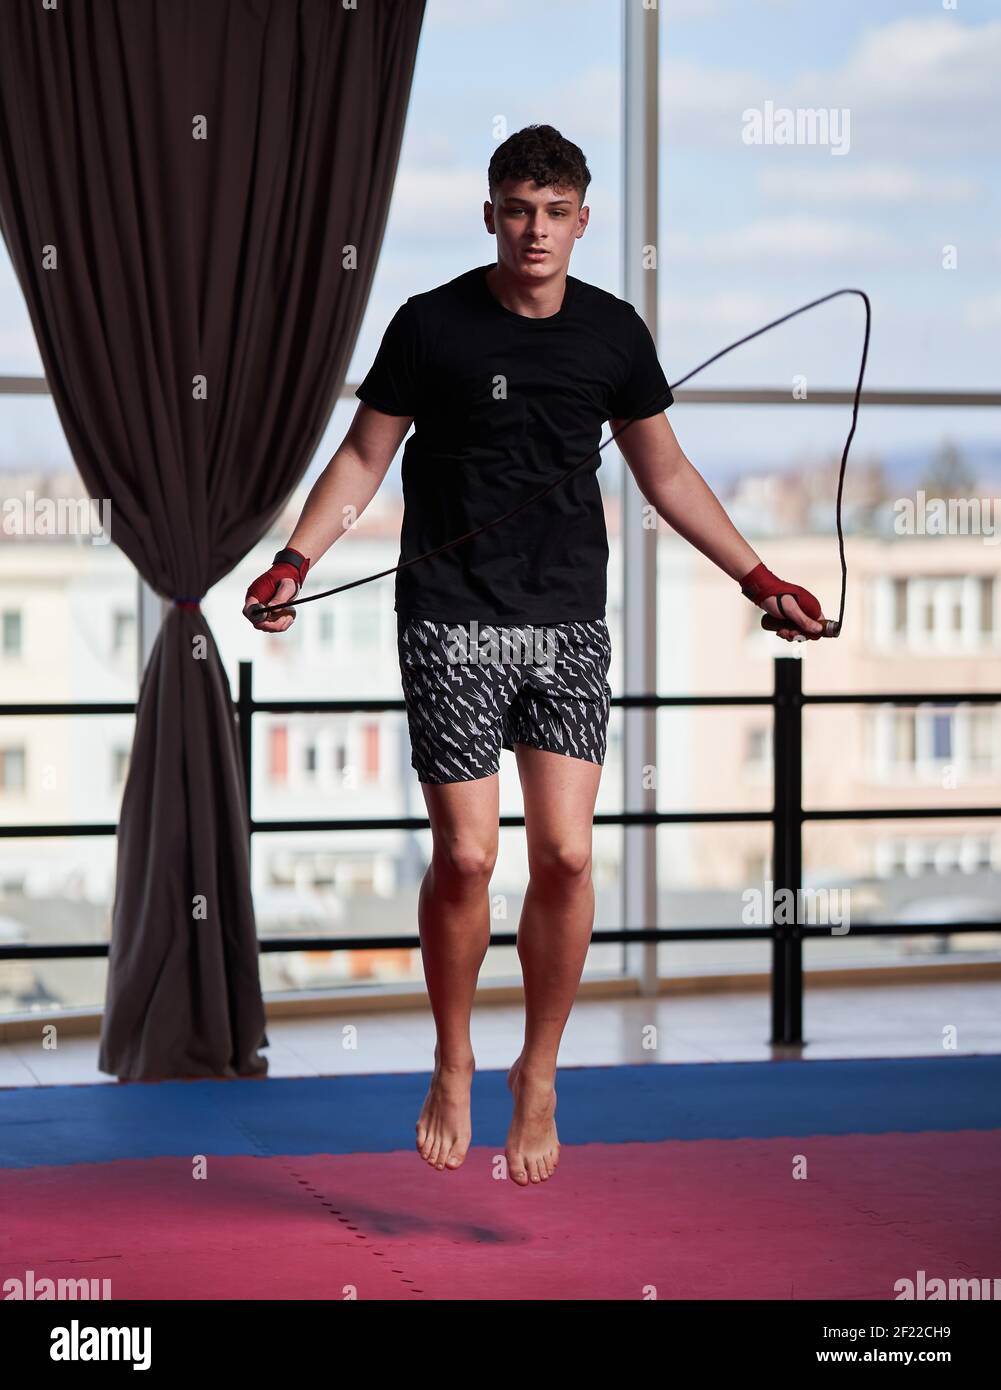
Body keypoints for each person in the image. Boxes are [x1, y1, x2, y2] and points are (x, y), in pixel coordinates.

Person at [244, 124, 827, 1188]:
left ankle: (540, 1069)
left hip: (564, 618)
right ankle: (454, 1056)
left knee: (562, 856)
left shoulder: (611, 333)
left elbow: (670, 477)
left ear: (581, 221)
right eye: (517, 209)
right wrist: (293, 559)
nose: (534, 230)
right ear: (489, 215)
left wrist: (758, 580)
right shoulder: (430, 326)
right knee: (467, 857)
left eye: (555, 212)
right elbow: (365, 453)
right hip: (449, 614)